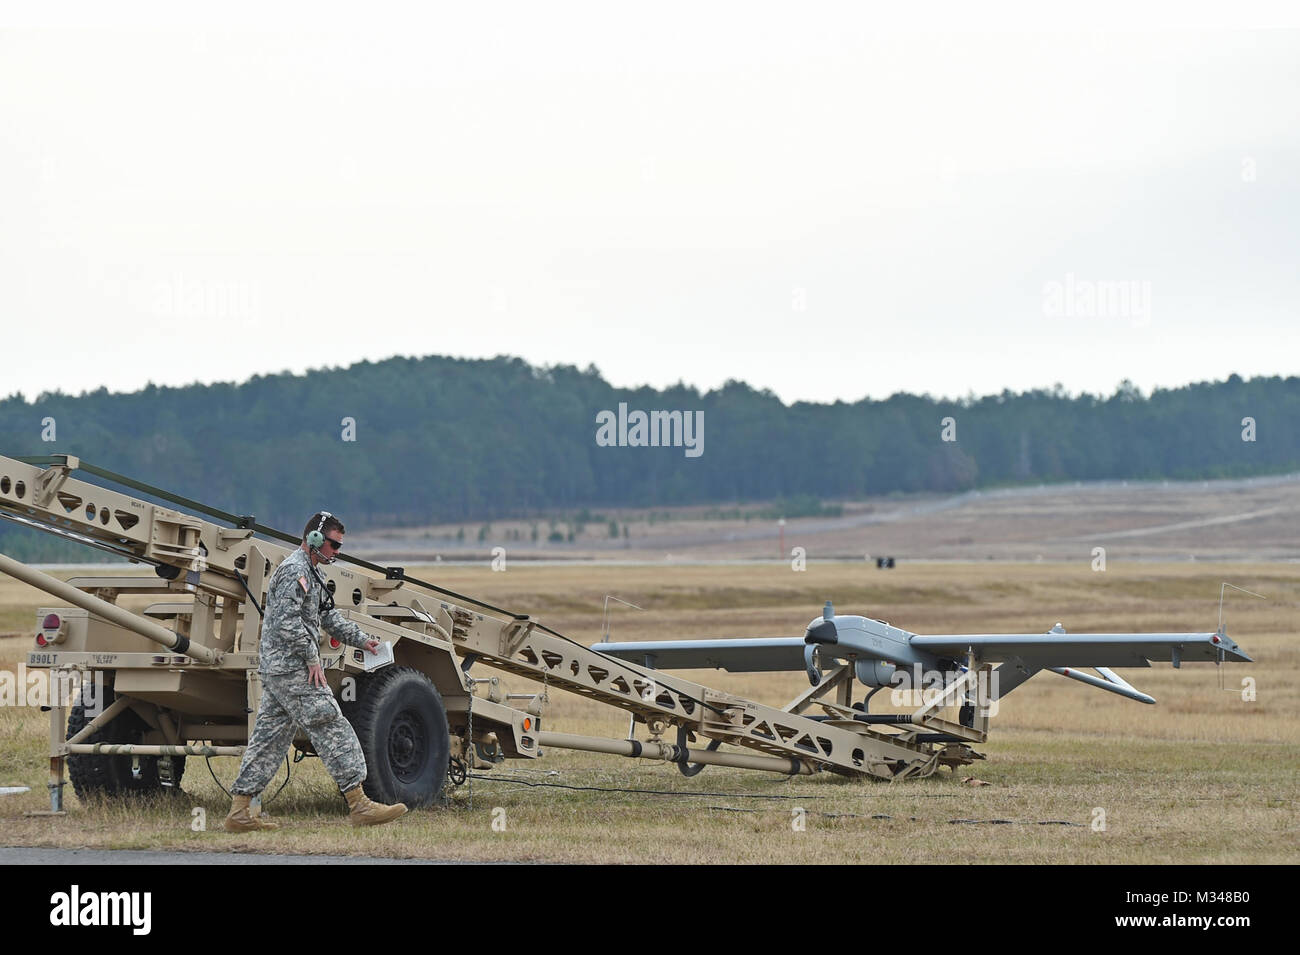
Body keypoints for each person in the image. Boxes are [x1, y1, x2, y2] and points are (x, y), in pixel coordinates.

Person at [224, 511, 407, 831]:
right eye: (334, 545)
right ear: (314, 540)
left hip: (281, 670)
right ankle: (359, 804)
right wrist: (311, 659)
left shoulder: (311, 574)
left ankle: (240, 811)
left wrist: (366, 642)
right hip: (293, 668)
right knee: (330, 723)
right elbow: (287, 624)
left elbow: (330, 619)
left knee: (269, 739)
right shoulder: (295, 572)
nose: (337, 551)